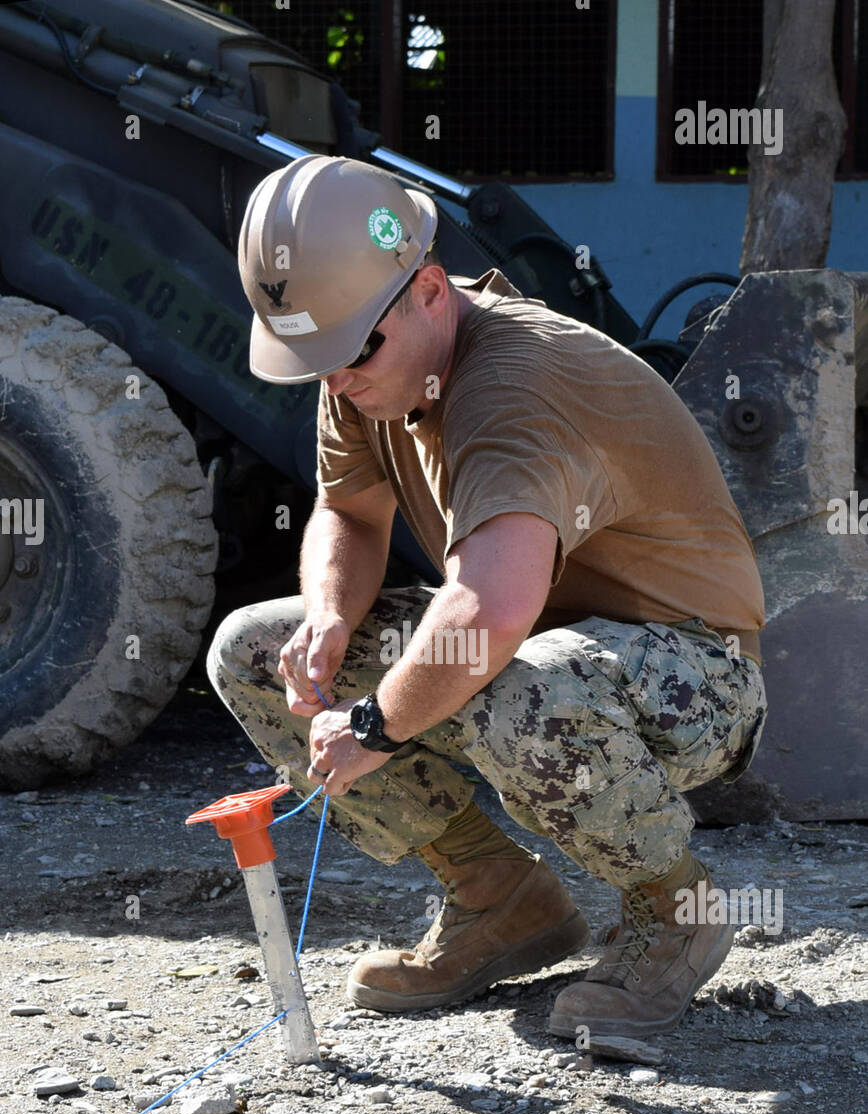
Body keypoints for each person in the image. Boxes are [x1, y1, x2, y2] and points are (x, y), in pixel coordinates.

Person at [207, 154, 768, 1043]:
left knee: (512, 680)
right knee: (250, 648)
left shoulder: (514, 385)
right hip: (543, 648)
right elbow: (349, 512)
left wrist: (372, 726)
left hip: (697, 675)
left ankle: (679, 908)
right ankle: (499, 898)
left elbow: (489, 616)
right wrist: (328, 616)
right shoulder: (365, 359)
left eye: (350, 354)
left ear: (431, 288)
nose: (337, 381)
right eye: (313, 360)